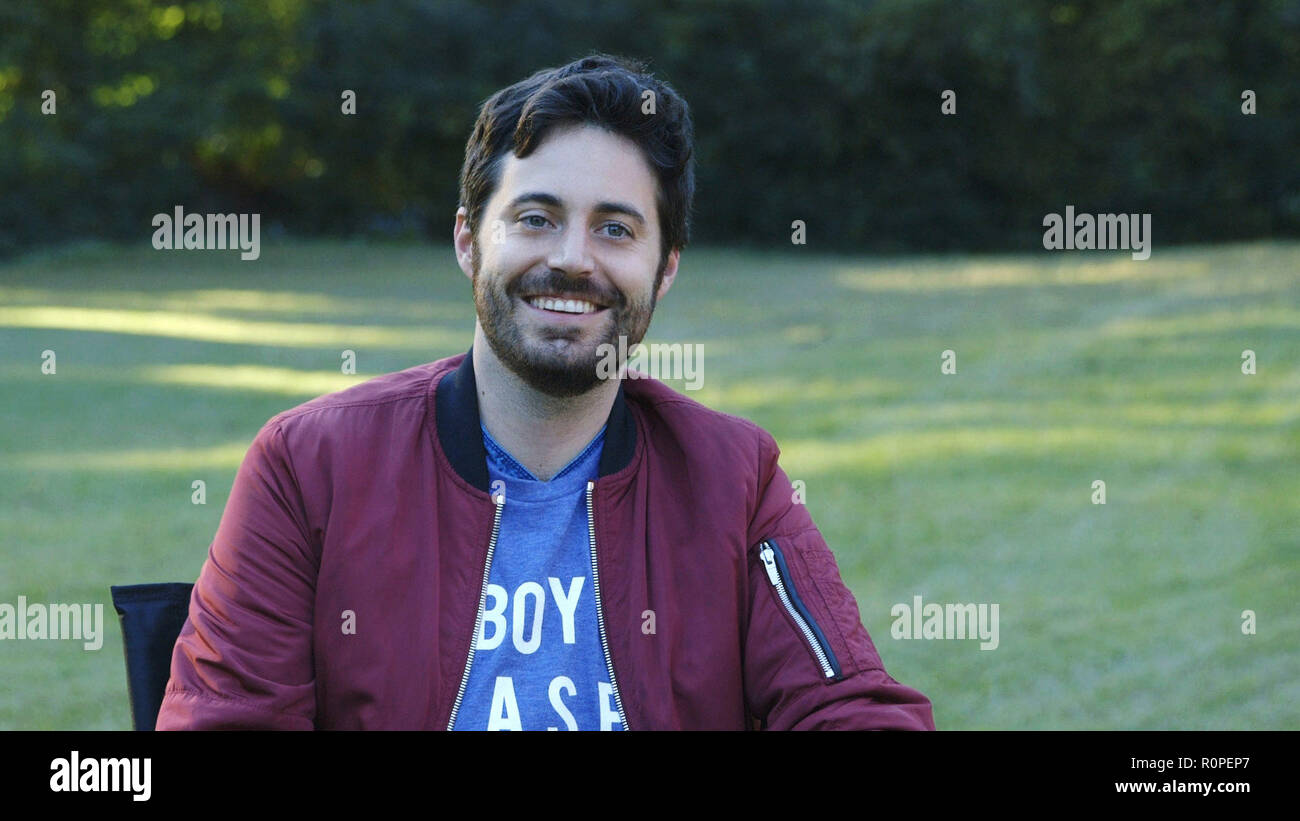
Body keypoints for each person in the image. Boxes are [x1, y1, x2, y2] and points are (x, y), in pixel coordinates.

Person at [156, 53, 935, 731]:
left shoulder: (734, 476)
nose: (572, 259)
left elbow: (853, 706)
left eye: (616, 229)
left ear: (664, 269)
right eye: (535, 217)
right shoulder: (308, 465)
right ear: (468, 239)